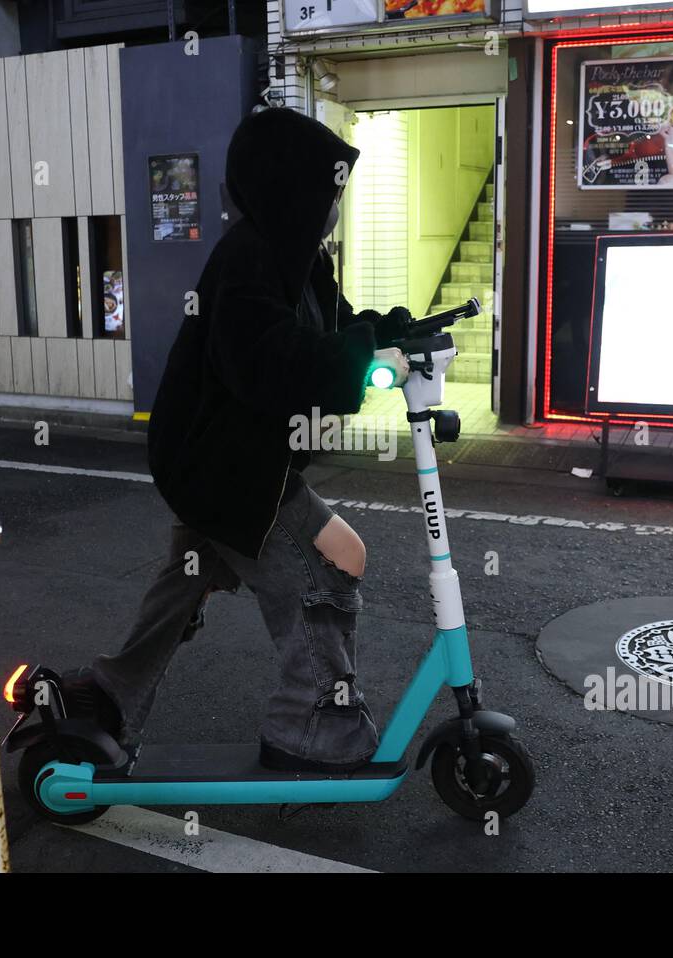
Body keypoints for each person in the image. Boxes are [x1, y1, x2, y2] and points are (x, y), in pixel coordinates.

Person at [90, 108, 413, 773]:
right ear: (290, 189)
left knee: (183, 589)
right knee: (319, 571)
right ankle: (310, 721)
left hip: (240, 460)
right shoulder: (246, 259)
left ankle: (108, 698)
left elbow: (335, 330)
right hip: (225, 468)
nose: (334, 206)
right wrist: (357, 357)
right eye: (328, 192)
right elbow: (270, 363)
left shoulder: (302, 260)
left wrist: (391, 332)